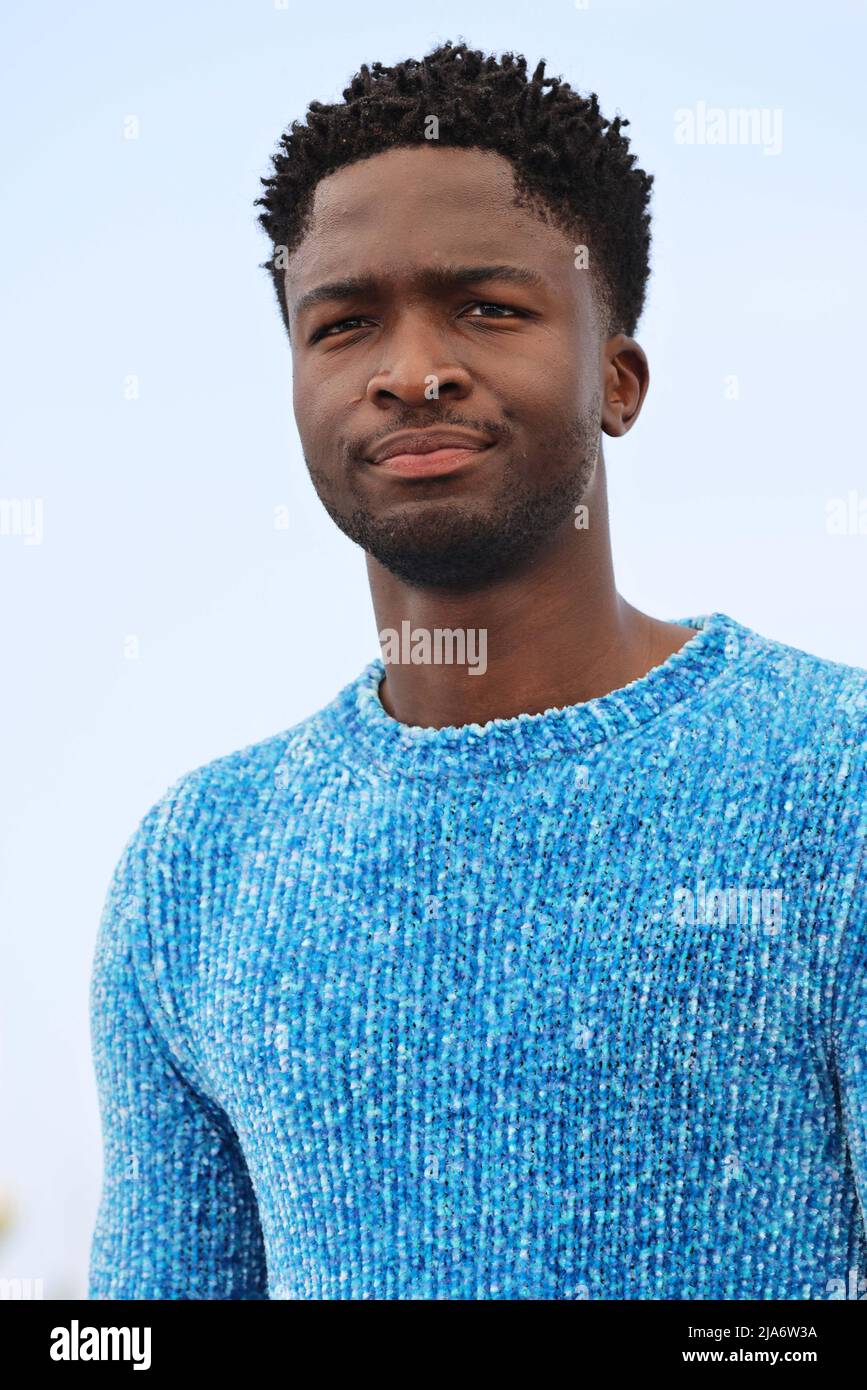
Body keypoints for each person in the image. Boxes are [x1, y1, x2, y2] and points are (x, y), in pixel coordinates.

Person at [88, 40, 866, 1300]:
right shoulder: (194, 870)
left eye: (488, 308)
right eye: (344, 325)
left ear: (618, 377)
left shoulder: (836, 783)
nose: (412, 371)